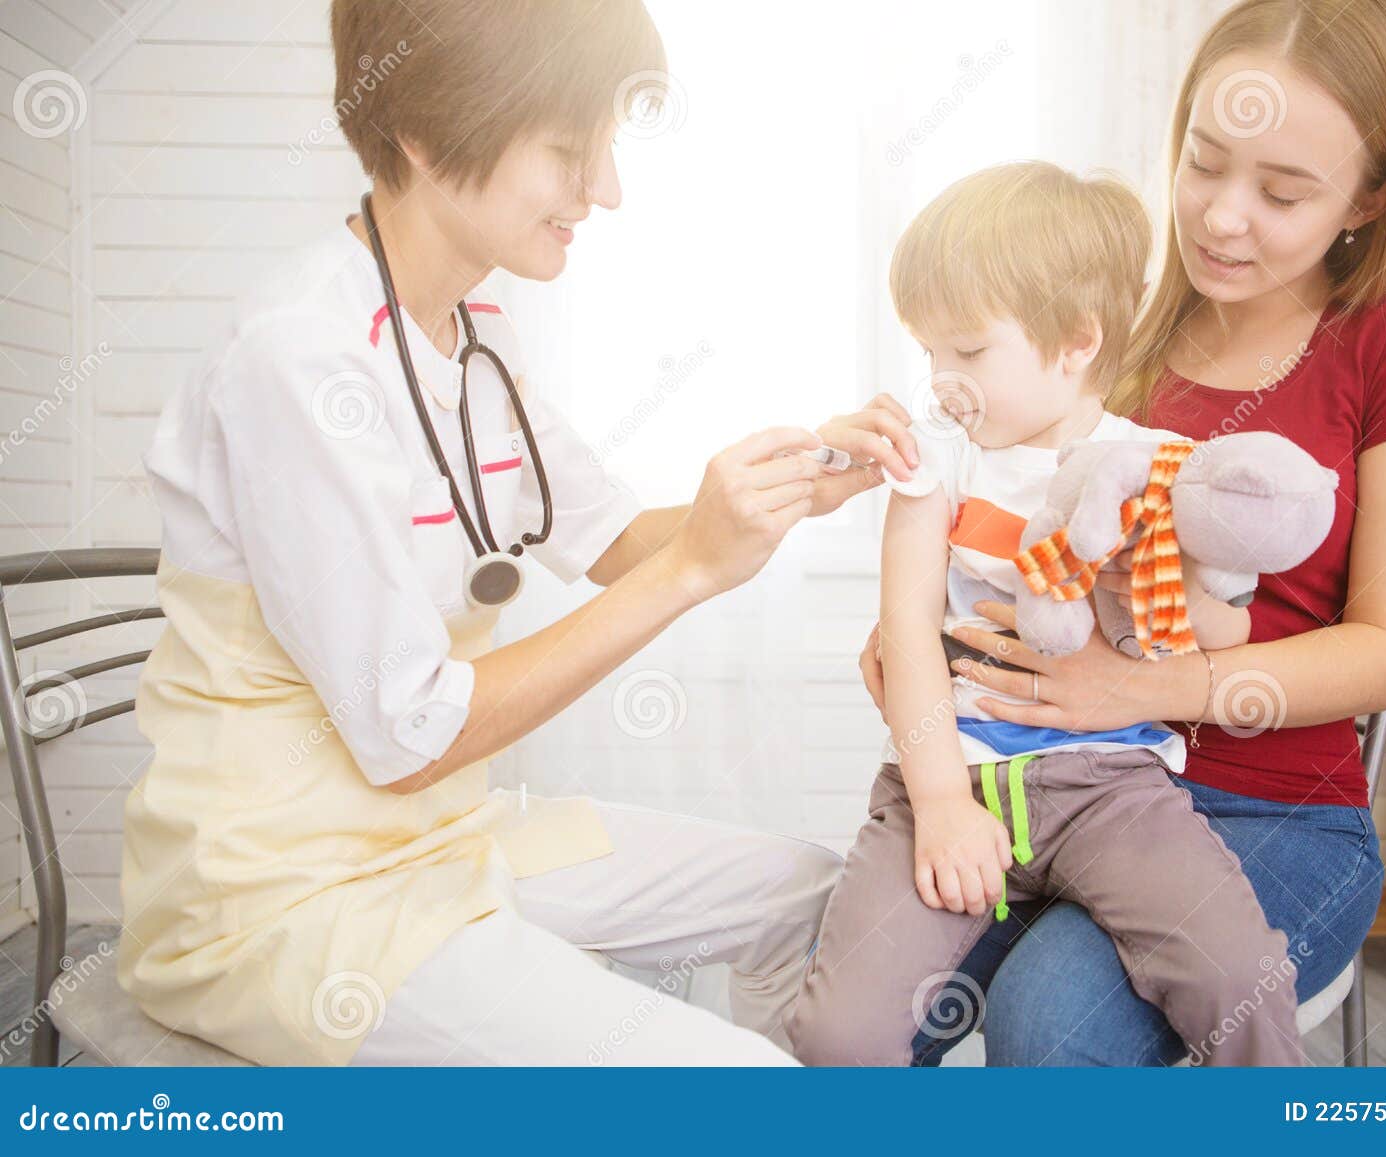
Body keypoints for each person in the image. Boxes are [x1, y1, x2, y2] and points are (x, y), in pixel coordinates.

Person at [117, 0, 917, 1066]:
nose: (606, 188)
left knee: (818, 895)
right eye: (569, 148)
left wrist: (796, 485)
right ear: (422, 127)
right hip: (283, 896)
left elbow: (616, 538)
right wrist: (690, 569)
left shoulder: (476, 332)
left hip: (443, 839)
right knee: (742, 1081)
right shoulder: (299, 357)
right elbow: (408, 734)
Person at [858, 0, 1386, 1066]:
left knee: (1050, 1025)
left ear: (1369, 199)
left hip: (1271, 814)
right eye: (1204, 162)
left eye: (1281, 192)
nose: (1221, 218)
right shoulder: (1105, 339)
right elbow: (993, 540)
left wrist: (1147, 688)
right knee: (858, 1006)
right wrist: (922, 645)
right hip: (1047, 779)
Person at [788, 163, 1304, 1067]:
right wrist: (941, 802)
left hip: (1110, 789)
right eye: (930, 353)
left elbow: (1226, 633)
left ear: (1076, 341)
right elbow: (906, 635)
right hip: (947, 781)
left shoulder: (1158, 465)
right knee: (840, 1036)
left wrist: (1158, 585)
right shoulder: (939, 462)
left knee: (1238, 978)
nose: (942, 382)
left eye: (967, 351)